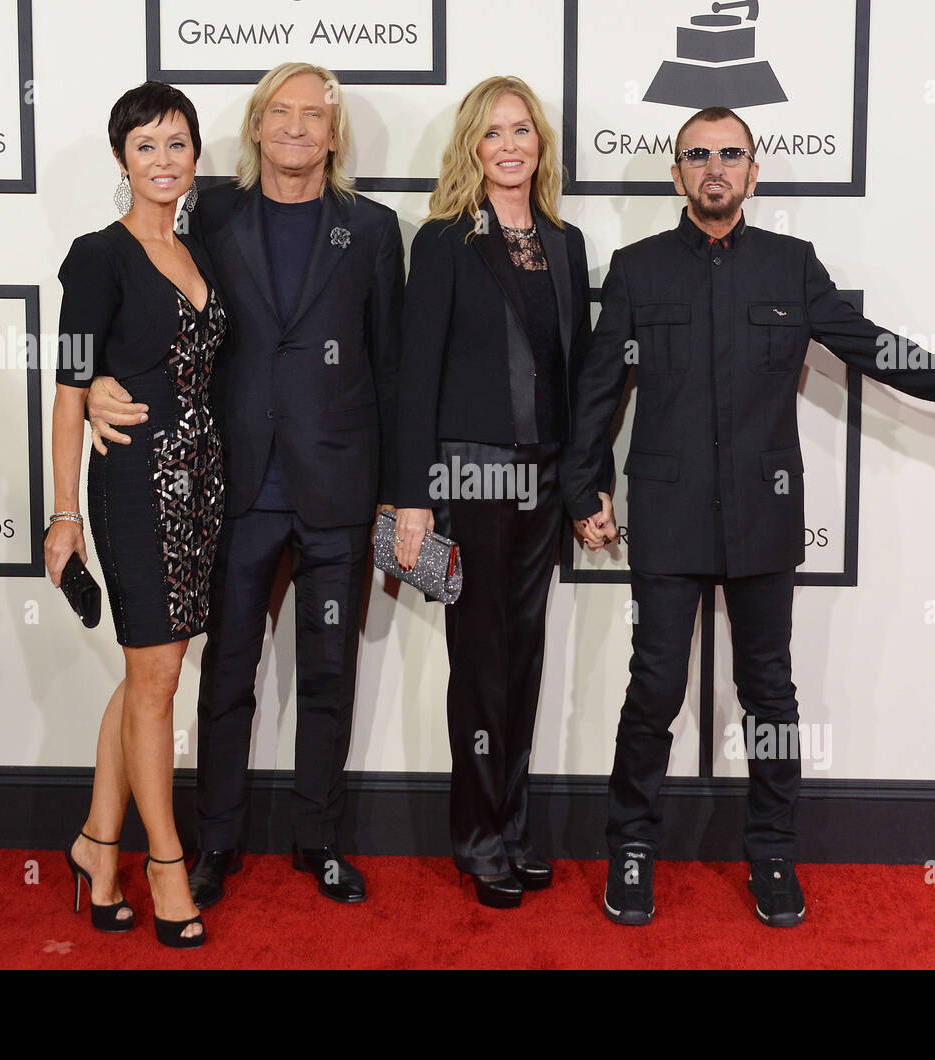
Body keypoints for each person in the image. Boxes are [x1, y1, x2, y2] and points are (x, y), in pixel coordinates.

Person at [560, 106, 935, 929]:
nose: (715, 167)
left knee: (768, 695)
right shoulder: (637, 269)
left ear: (754, 173)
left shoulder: (793, 267)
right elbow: (594, 397)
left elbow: (880, 350)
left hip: (763, 518)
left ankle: (770, 853)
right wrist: (584, 488)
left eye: (731, 154)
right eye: (698, 155)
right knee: (653, 688)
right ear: (678, 175)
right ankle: (630, 848)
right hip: (667, 510)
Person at [85, 62, 403, 907]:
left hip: (337, 491)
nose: (298, 127)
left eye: (315, 115)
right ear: (257, 126)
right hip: (227, 488)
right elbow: (139, 294)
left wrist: (399, 493)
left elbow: (392, 371)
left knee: (329, 674)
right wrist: (95, 385)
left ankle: (320, 839)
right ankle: (214, 841)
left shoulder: (373, 230)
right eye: (282, 113)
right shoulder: (210, 211)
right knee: (227, 675)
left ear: (333, 134)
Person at [393, 76, 598, 908]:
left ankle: (512, 826)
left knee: (524, 656)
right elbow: (416, 377)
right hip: (469, 474)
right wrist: (412, 497)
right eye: (493, 133)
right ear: (471, 148)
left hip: (545, 477)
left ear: (540, 144)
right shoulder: (444, 242)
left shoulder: (566, 240)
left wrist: (586, 482)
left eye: (523, 131)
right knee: (478, 664)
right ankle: (478, 837)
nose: (510, 146)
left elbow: (584, 380)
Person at [47, 81, 224, 948]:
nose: (164, 160)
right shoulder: (95, 257)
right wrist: (63, 514)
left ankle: (95, 848)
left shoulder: (202, 250)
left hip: (203, 491)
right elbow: (71, 389)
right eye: (147, 145)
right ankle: (166, 867)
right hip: (131, 494)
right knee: (157, 683)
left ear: (196, 155)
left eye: (178, 143)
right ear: (123, 158)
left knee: (149, 677)